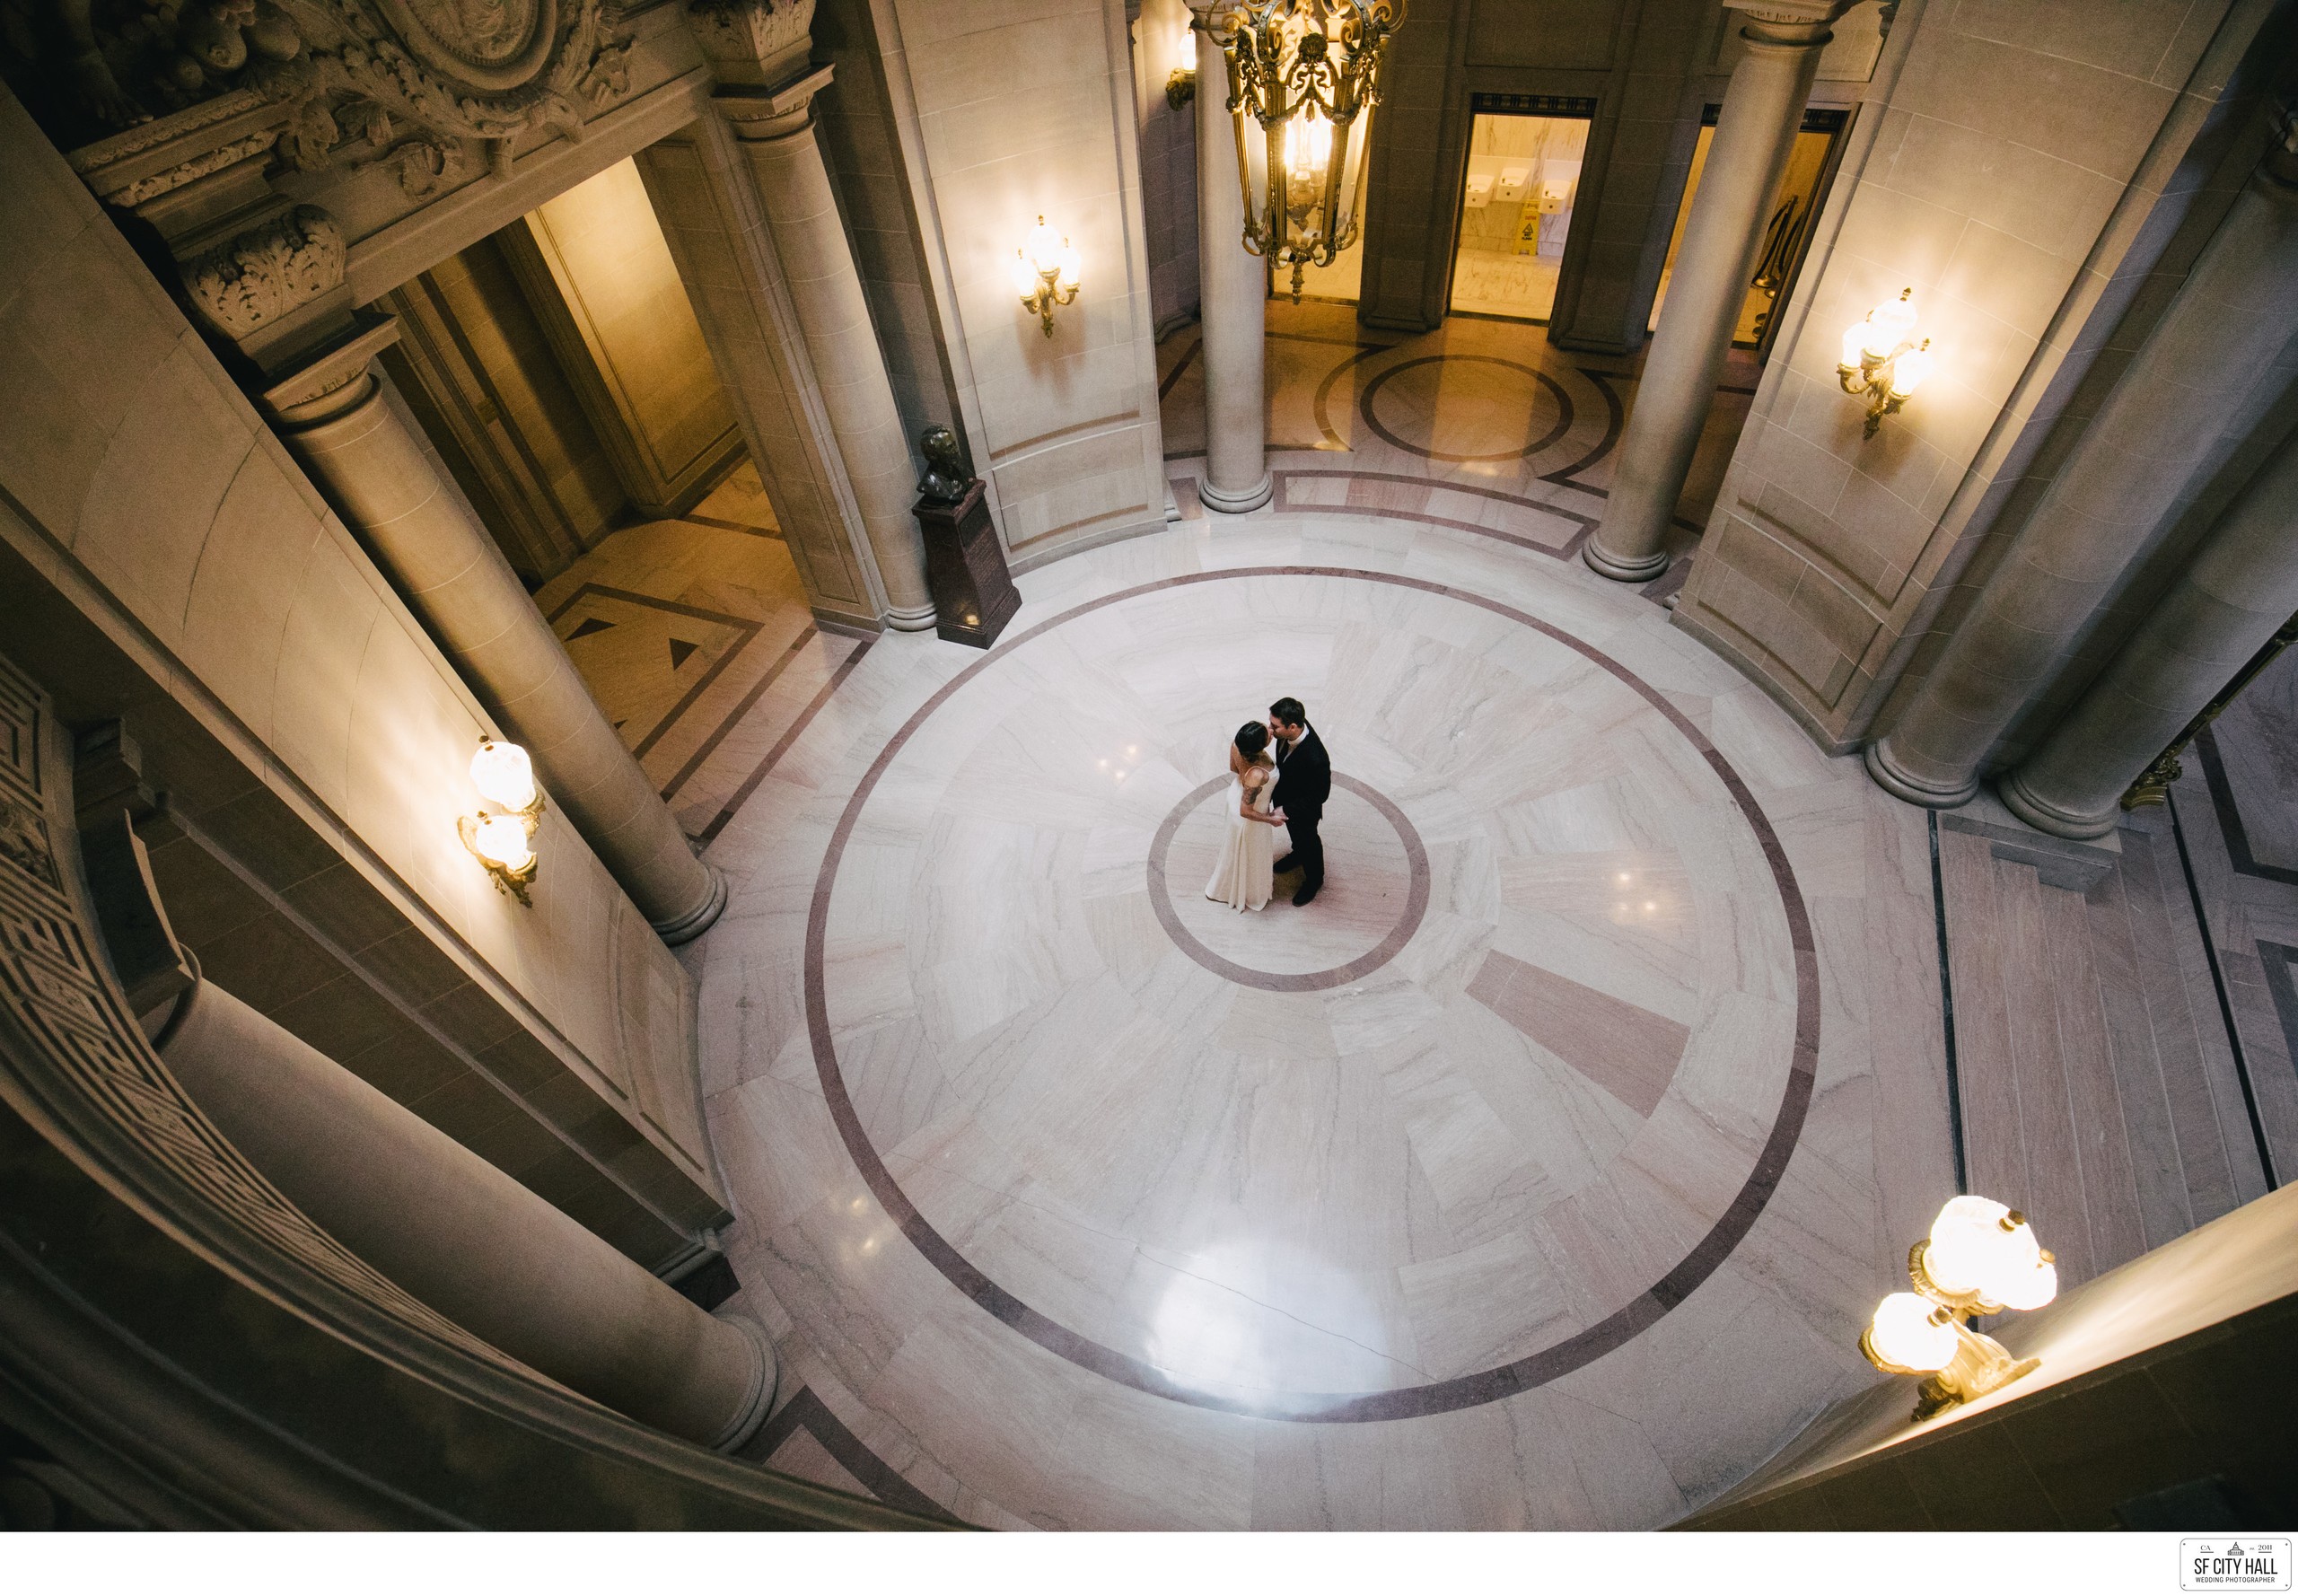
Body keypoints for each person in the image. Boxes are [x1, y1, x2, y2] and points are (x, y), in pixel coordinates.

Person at [1204, 721, 1285, 911]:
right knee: (1251, 854)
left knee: (1239, 851)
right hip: (1250, 817)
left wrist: (1244, 776)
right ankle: (1243, 891)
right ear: (1260, 746)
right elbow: (1246, 811)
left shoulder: (1236, 744)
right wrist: (1271, 819)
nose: (1270, 730)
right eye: (1267, 733)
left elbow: (1234, 768)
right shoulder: (1257, 774)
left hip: (1236, 794)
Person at [1267, 697, 1330, 907]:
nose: (1270, 730)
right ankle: (1298, 855)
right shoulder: (1291, 730)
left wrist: (1285, 809)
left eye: (1275, 726)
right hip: (1287, 799)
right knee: (1297, 838)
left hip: (1303, 810)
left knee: (1309, 842)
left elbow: (1319, 796)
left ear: (1292, 727)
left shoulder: (1317, 759)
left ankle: (1314, 880)